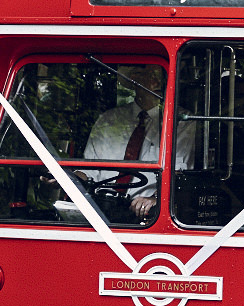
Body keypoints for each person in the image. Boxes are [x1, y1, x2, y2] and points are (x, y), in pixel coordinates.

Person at [81, 65, 192, 219]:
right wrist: (67, 178)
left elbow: (179, 173)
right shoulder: (108, 119)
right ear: (134, 79)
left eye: (163, 77)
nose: (158, 82)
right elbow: (88, 170)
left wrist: (156, 198)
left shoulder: (180, 120)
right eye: (151, 76)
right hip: (100, 208)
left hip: (145, 214)